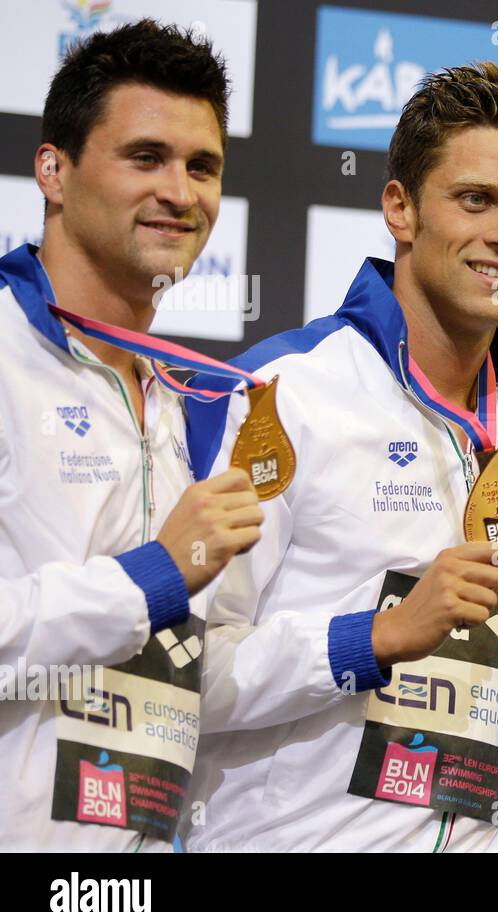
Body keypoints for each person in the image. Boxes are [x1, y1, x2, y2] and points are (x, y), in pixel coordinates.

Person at [182, 63, 498, 852]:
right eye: (475, 200)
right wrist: (373, 637)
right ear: (399, 208)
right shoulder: (283, 394)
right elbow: (184, 671)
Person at [0, 20, 262, 851]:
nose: (181, 193)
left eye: (202, 167)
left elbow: (201, 668)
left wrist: (367, 640)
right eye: (144, 158)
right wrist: (154, 573)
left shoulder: (193, 400)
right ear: (54, 170)